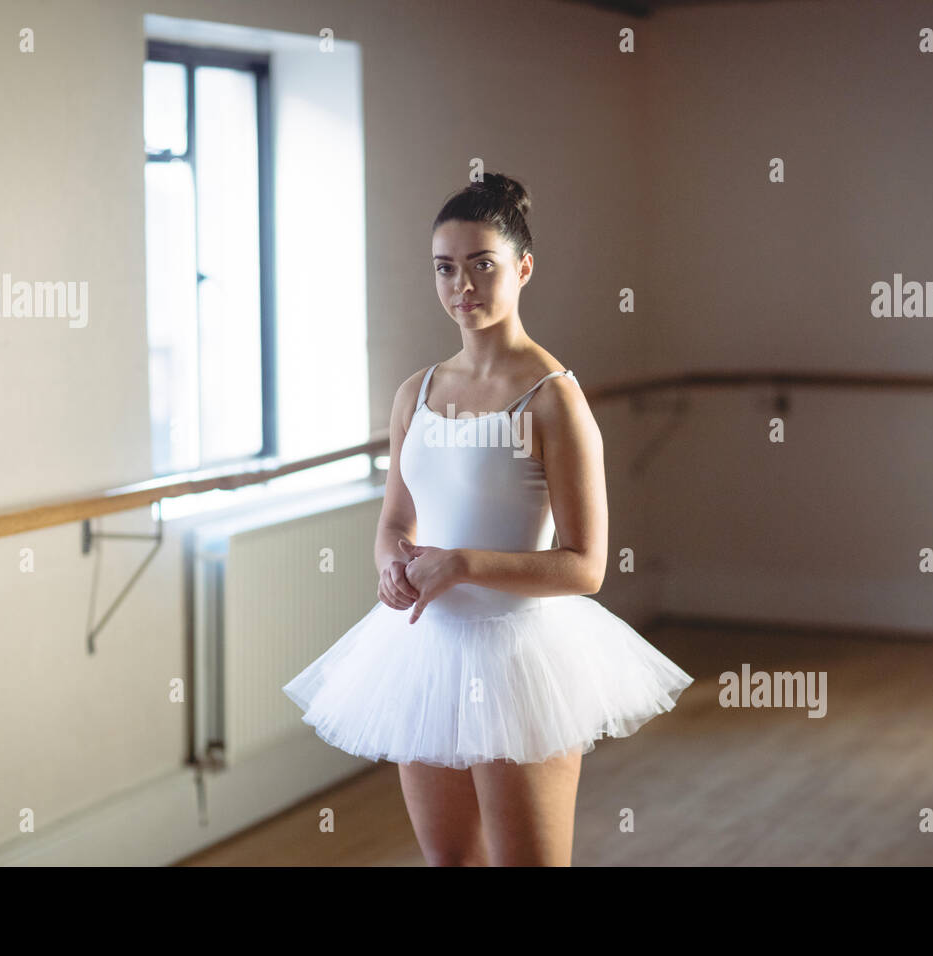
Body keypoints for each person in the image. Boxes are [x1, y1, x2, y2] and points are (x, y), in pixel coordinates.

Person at [283, 172, 692, 866]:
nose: (461, 286)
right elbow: (394, 521)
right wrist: (391, 565)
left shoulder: (552, 398)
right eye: (445, 269)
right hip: (424, 652)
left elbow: (586, 565)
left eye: (482, 265)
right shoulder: (418, 391)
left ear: (523, 268)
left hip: (519, 659)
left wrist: (465, 563)